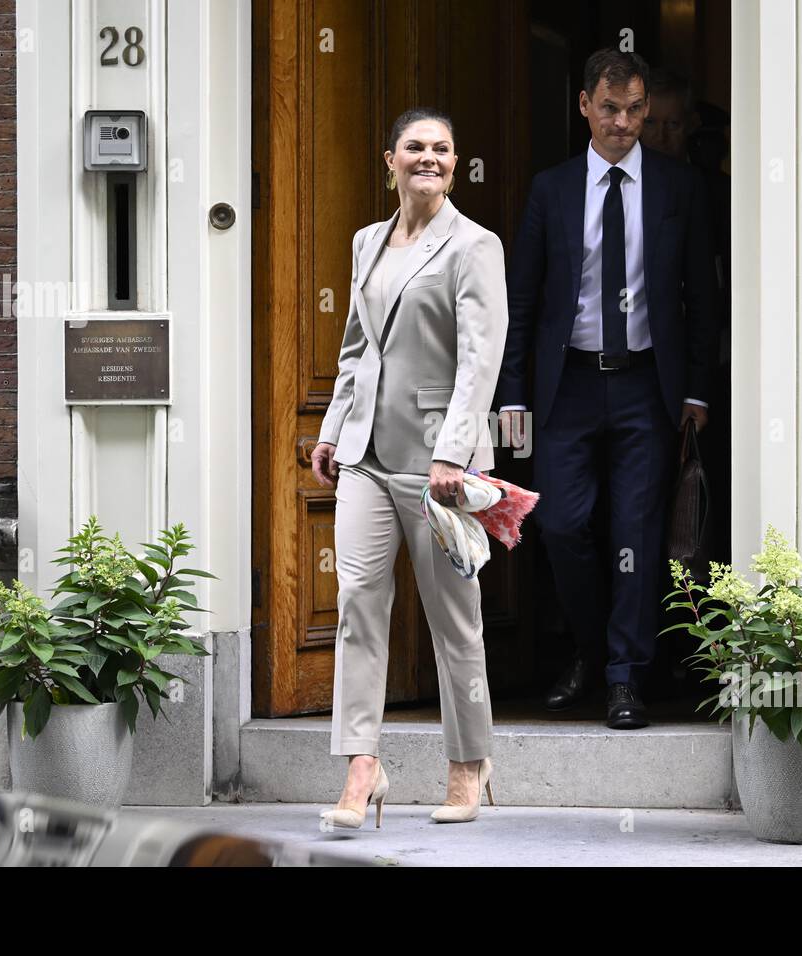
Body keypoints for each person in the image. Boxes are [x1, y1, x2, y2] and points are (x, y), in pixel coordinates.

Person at [496, 49, 717, 729]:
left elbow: (702, 299)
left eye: (636, 109)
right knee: (559, 524)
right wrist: (511, 401)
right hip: (566, 389)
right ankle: (594, 650)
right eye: (611, 108)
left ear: (647, 109)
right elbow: (523, 301)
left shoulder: (679, 187)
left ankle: (625, 676)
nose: (624, 123)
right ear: (585, 106)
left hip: (647, 388)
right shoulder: (551, 190)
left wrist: (699, 391)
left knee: (638, 535)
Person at [311, 108, 509, 827]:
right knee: (358, 602)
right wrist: (334, 427)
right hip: (366, 455)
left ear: (455, 163)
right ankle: (363, 764)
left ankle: (468, 762)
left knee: (454, 620)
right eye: (416, 148)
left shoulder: (475, 246)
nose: (430, 158)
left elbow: (481, 358)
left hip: (438, 464)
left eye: (443, 149)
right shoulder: (368, 241)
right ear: (389, 158)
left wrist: (454, 451)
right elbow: (356, 346)